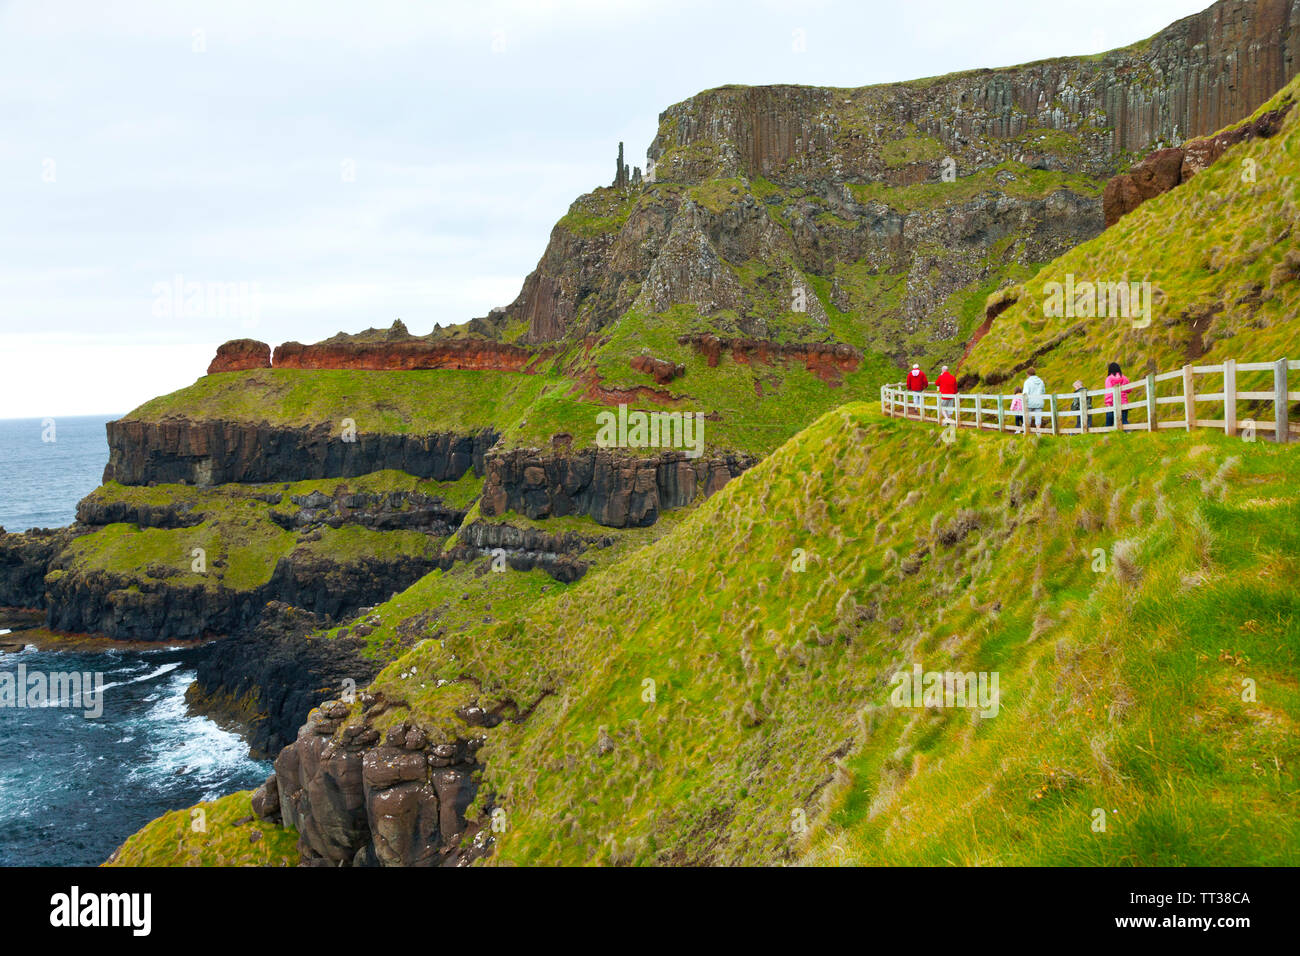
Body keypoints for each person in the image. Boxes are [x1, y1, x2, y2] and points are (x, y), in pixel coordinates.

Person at [1104, 362, 1131, 428]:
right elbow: (1129, 390)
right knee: (1124, 420)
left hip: (1112, 403)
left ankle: (1108, 435)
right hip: (1123, 402)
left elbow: (1109, 392)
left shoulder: (1109, 379)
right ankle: (1128, 432)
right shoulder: (1124, 378)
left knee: (1109, 423)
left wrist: (1108, 403)